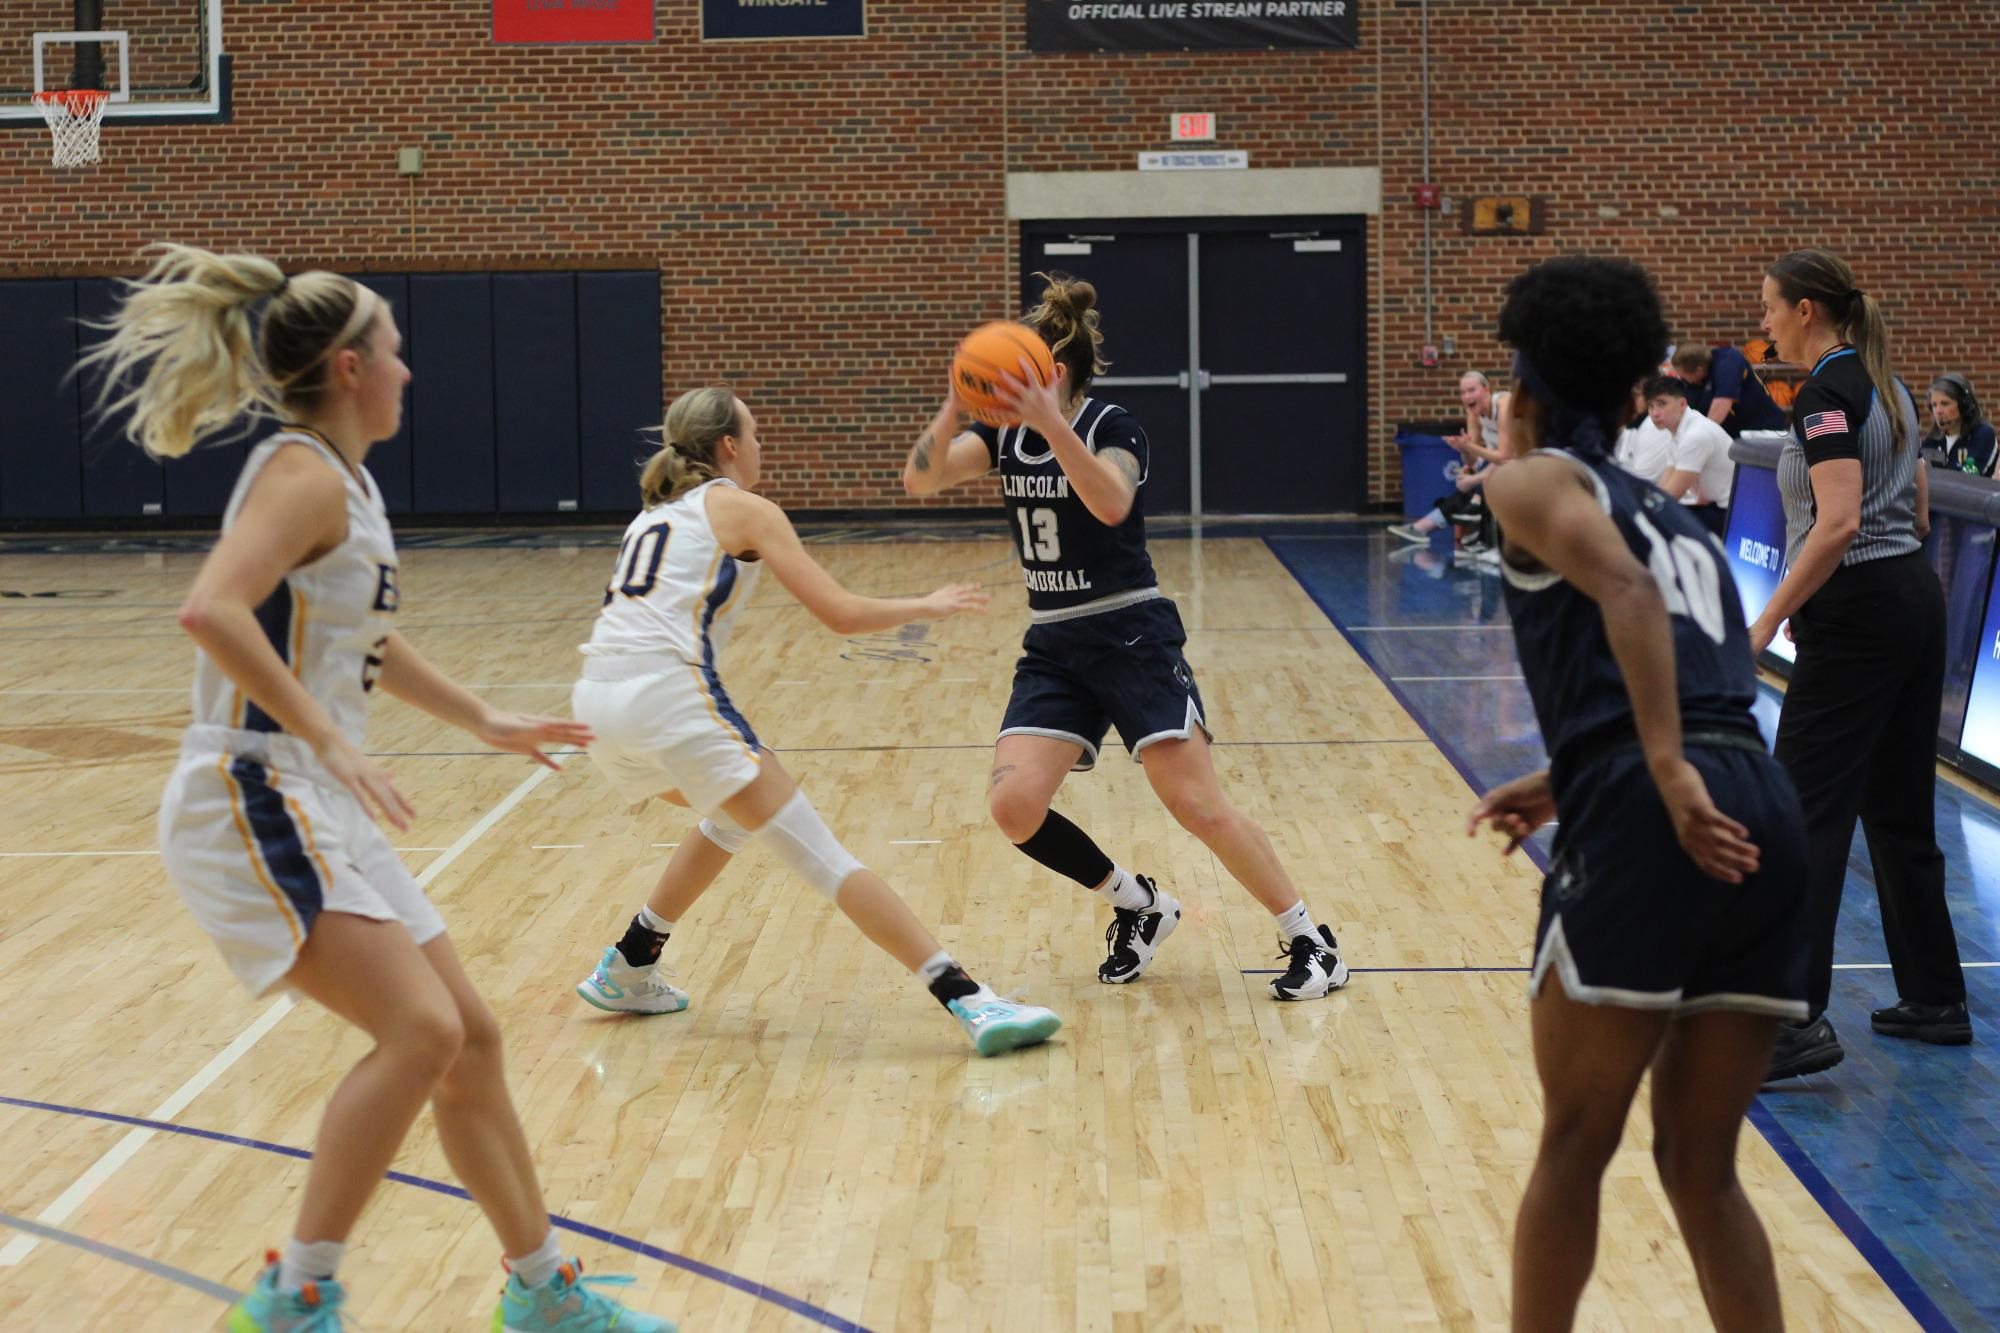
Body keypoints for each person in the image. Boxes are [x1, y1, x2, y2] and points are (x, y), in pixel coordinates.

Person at [90, 245, 674, 1332]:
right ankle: (294, 1291)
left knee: (470, 1035)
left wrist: (480, 717)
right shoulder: (301, 471)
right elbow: (212, 609)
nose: (410, 372)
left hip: (311, 792)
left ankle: (542, 1292)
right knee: (417, 1032)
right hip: (248, 789)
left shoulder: (343, 481)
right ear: (351, 367)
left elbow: (362, 637)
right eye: (396, 353)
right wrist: (328, 737)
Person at [1470, 255, 1809, 1332]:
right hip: (1757, 793)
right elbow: (1709, 674)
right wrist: (1580, 771)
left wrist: (1651, 770)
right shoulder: (1677, 521)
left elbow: (1617, 592)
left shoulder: (1525, 483)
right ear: (1632, 397)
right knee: (1701, 1164)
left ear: (1519, 389)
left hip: (1658, 805)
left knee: (1576, 1139)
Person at [569, 386, 1062, 1057]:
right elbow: (842, 614)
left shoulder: (651, 516)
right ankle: (971, 998)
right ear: (729, 447)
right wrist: (930, 601)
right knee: (822, 854)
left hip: (596, 706)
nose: (762, 444)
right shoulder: (745, 507)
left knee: (734, 814)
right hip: (666, 700)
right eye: (756, 432)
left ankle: (630, 961)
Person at [900, 273, 1348, 1000]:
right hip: (1055, 642)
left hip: (1130, 631)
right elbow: (921, 480)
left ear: (1053, 378)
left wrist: (1051, 423)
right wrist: (956, 403)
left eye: (1018, 386)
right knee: (1015, 807)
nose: (1008, 400)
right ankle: (1139, 904)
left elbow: (1111, 502)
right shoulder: (1001, 435)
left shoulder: (1113, 426)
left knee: (1197, 804)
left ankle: (1309, 938)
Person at [1750, 250, 1971, 1081]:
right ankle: (1937, 997)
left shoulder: (1825, 392)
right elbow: (1913, 509)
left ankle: (1787, 1022)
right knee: (1898, 808)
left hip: (1862, 609)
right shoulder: (1894, 384)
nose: (1764, 321)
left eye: (1770, 307)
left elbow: (1838, 522)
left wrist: (1775, 613)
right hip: (1912, 597)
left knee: (1802, 812)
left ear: (1807, 310)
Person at [1390, 370, 1510, 553]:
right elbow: (1472, 459)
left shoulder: (1504, 406)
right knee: (1469, 475)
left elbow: (1506, 457)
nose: (1466, 397)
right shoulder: (1473, 412)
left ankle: (1466, 523)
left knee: (1475, 481)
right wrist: (1463, 452)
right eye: (1462, 392)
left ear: (1487, 390)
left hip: (1526, 461)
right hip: (1500, 463)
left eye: (1471, 390)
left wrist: (1474, 474)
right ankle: (1467, 518)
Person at [1626, 376, 1735, 536]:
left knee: (1650, 526)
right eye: (1651, 406)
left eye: (1662, 404)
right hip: (1712, 506)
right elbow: (1665, 485)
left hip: (1727, 514)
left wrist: (1635, 511)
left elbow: (1673, 494)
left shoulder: (1696, 435)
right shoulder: (1677, 431)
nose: (1655, 413)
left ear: (1682, 404)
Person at [1671, 342, 1787, 437]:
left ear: (1699, 370)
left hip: (1764, 430)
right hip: (1732, 434)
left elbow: (1723, 401)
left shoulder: (1728, 361)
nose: (1683, 379)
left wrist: (1699, 436)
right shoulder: (1691, 384)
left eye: (1683, 376)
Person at [1922, 373, 1997, 476]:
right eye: (1934, 405)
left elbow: (1967, 479)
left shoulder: (1982, 435)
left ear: (1964, 405)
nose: (1938, 411)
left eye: (1945, 403)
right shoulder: (1932, 441)